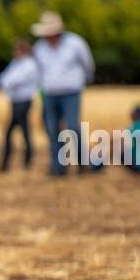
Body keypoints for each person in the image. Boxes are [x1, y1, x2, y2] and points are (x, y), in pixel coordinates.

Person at [31, 11, 95, 177]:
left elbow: (88, 64)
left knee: (73, 127)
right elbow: (37, 71)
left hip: (71, 92)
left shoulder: (75, 43)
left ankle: (82, 163)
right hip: (49, 94)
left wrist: (83, 81)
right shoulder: (39, 48)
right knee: (52, 129)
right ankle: (58, 167)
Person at [0, 39, 41, 171]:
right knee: (20, 132)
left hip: (24, 101)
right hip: (16, 101)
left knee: (18, 132)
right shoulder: (16, 63)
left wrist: (8, 82)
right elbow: (3, 79)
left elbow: (13, 80)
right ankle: (16, 162)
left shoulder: (30, 65)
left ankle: (21, 161)